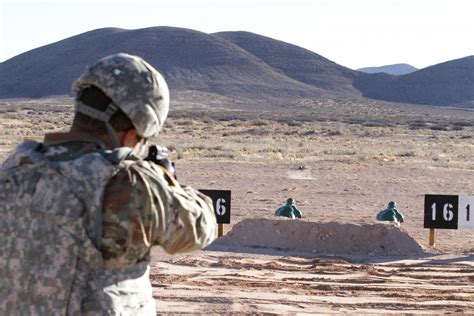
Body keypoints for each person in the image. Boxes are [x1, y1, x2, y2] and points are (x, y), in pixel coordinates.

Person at [0, 53, 217, 314]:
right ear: (131, 134)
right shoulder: (126, 182)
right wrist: (165, 179)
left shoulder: (16, 166)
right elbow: (199, 229)